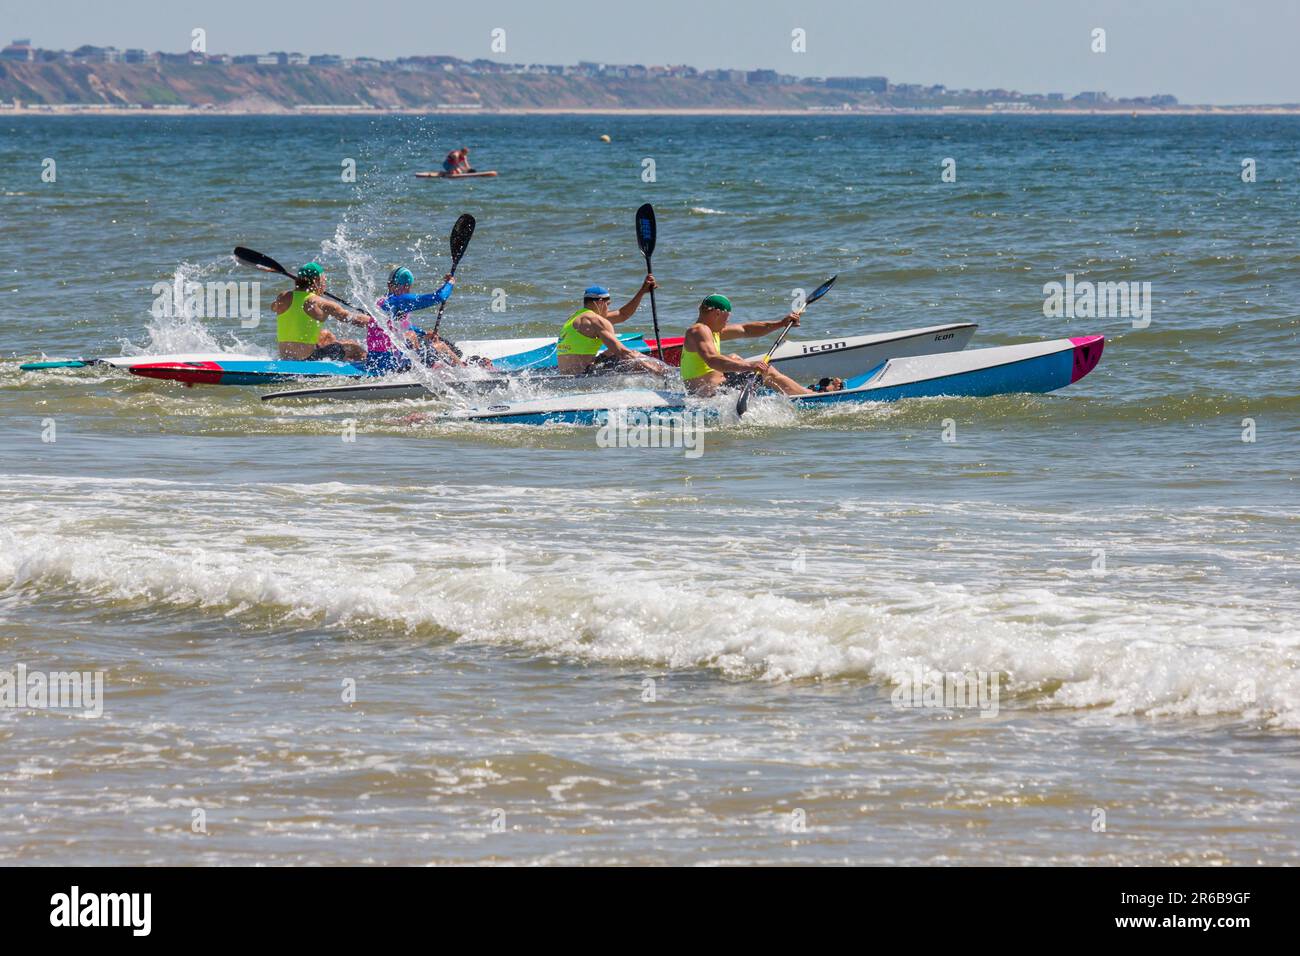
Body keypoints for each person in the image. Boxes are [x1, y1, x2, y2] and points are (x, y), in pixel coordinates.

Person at [679, 293, 817, 396]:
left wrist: (780, 323)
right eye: (727, 317)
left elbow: (746, 330)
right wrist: (750, 365)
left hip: (712, 385)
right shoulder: (699, 330)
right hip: (707, 393)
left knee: (735, 357)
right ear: (717, 313)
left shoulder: (710, 329)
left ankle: (799, 391)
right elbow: (712, 359)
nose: (727, 322)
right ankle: (807, 396)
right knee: (766, 370)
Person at [556, 278, 666, 376]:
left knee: (611, 352)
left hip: (566, 374)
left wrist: (642, 291)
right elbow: (623, 353)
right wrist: (657, 371)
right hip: (581, 376)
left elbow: (622, 314)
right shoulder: (595, 320)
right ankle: (664, 374)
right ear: (599, 302)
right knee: (633, 356)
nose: (608, 309)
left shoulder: (576, 317)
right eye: (608, 305)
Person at [366, 267, 458, 374]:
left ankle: (444, 364)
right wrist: (450, 283)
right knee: (441, 346)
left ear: (389, 285)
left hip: (374, 359)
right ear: (407, 286)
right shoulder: (401, 300)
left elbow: (401, 326)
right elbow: (440, 296)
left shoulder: (382, 301)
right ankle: (464, 370)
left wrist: (423, 333)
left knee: (426, 341)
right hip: (391, 362)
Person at [271, 262, 369, 361]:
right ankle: (368, 370)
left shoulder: (282, 297)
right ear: (317, 281)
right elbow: (351, 318)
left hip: (285, 356)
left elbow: (273, 307)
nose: (324, 283)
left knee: (326, 335)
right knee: (353, 346)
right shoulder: (319, 302)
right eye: (323, 280)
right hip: (307, 358)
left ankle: (342, 360)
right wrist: (376, 321)